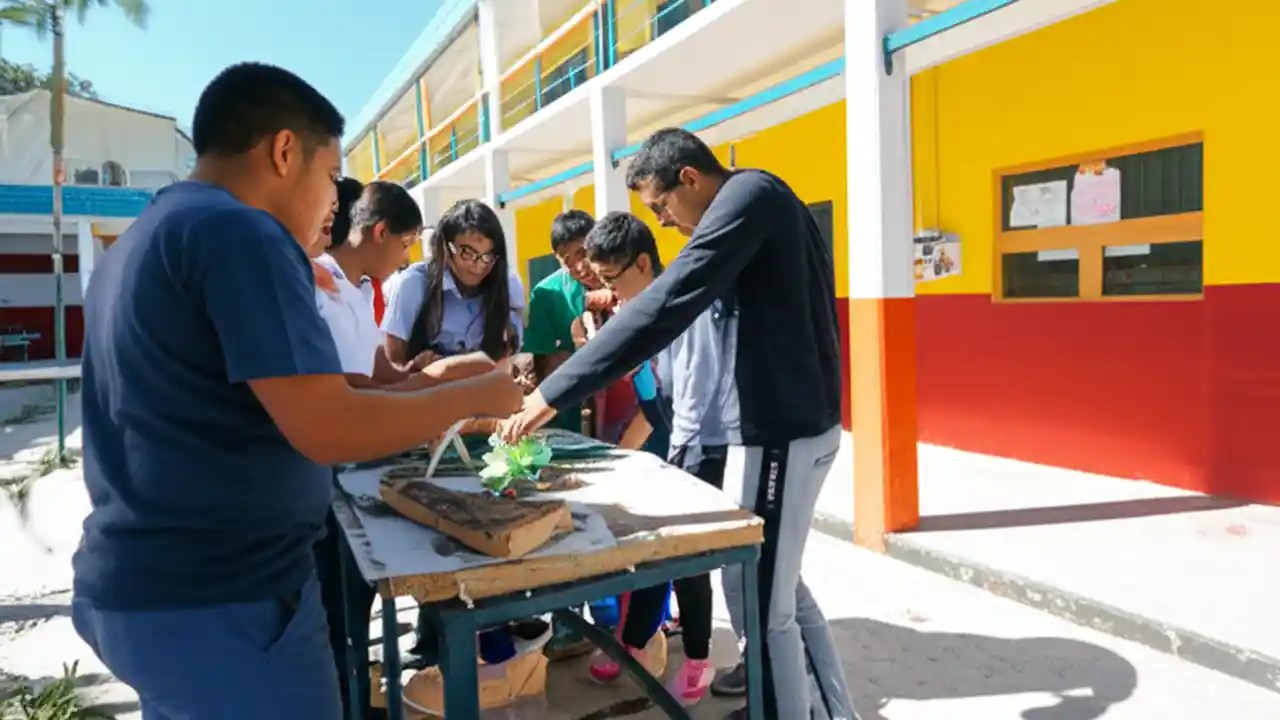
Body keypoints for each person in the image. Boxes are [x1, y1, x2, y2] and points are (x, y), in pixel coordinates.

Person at [71, 62, 522, 720]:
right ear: (285, 151)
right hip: (225, 604)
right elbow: (329, 423)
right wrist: (473, 396)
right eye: (331, 176)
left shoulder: (144, 239)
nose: (334, 202)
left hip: (153, 593)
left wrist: (445, 384)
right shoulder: (241, 232)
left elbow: (326, 391)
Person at [500, 127, 856, 720]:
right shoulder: (754, 208)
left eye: (661, 205)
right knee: (772, 592)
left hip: (783, 434)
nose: (663, 221)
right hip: (778, 430)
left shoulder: (749, 198)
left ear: (689, 178)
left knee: (761, 606)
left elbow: (669, 302)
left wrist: (549, 394)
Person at [575, 212, 729, 704]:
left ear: (643, 263)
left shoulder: (684, 310)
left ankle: (699, 660)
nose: (611, 294)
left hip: (702, 448)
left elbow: (690, 402)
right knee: (649, 550)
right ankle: (636, 643)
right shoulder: (637, 315)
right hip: (666, 448)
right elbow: (651, 406)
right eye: (602, 282)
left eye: (613, 279)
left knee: (688, 560)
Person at [381, 199, 525, 367]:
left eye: (488, 256)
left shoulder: (507, 284)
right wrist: (416, 367)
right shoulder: (412, 285)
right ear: (445, 247)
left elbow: (509, 357)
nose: (479, 265)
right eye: (468, 253)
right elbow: (393, 365)